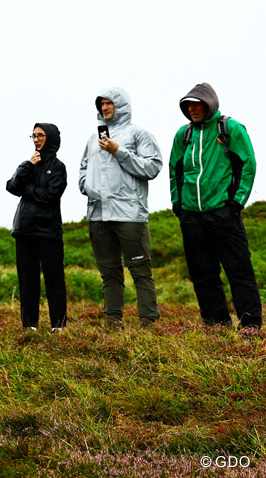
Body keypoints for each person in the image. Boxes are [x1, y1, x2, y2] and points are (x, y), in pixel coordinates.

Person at [169, 83, 260, 329]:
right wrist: (178, 205)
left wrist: (235, 205)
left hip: (224, 214)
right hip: (192, 217)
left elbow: (247, 165)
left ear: (210, 104)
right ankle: (216, 323)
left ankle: (250, 324)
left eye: (197, 103)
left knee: (239, 269)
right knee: (203, 273)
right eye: (188, 104)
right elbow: (175, 170)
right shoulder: (183, 134)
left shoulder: (230, 128)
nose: (192, 108)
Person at [78, 88, 163, 330]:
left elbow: (153, 167)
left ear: (121, 106)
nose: (104, 108)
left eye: (109, 103)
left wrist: (118, 151)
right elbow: (83, 169)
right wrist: (86, 186)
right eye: (101, 104)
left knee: (140, 269)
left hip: (129, 214)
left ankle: (148, 320)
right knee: (109, 273)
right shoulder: (92, 139)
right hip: (98, 214)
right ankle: (113, 321)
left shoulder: (139, 134)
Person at [6, 123, 68, 332]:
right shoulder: (28, 164)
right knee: (27, 279)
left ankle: (58, 325)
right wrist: (26, 167)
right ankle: (29, 325)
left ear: (50, 138)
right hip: (24, 229)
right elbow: (12, 186)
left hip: (49, 231)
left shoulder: (58, 167)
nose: (36, 139)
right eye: (33, 135)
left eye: (40, 135)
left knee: (55, 279)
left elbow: (50, 196)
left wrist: (28, 188)